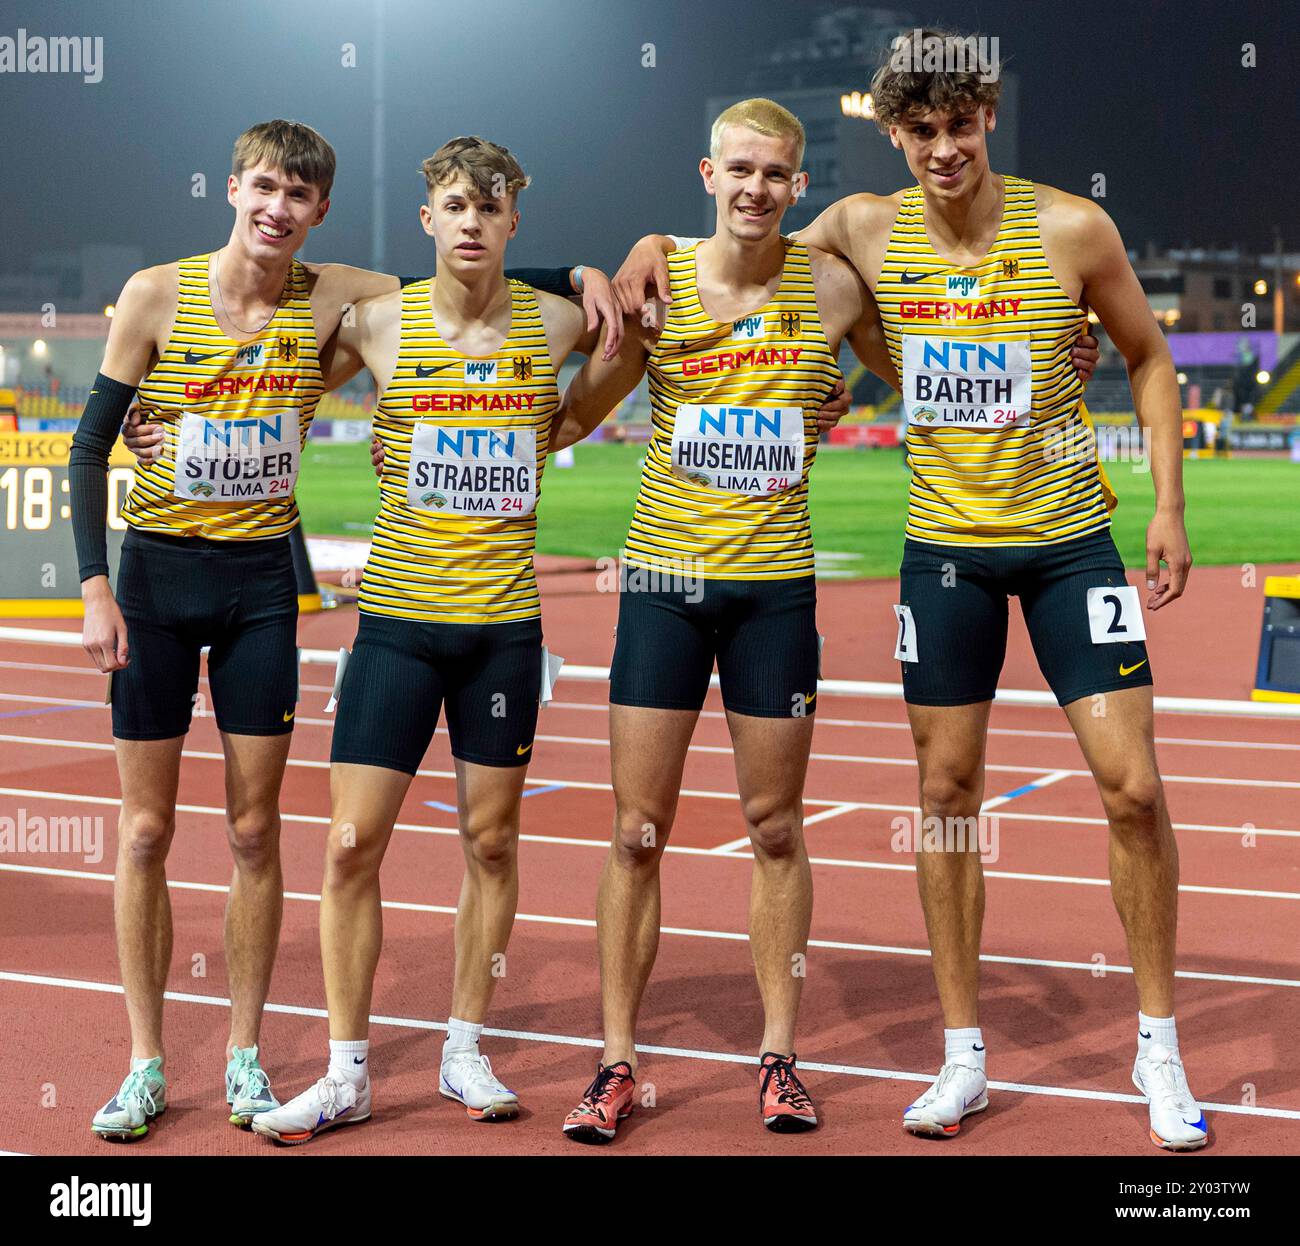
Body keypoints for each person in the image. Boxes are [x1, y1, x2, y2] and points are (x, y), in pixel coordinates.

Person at [615, 29, 1200, 1150]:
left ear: (990, 119)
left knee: (1130, 787)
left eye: (960, 126)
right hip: (942, 551)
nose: (942, 148)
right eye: (919, 130)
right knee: (944, 796)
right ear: (891, 132)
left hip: (1072, 539)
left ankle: (1157, 1048)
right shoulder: (858, 230)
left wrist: (1165, 505)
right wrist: (641, 245)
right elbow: (742, 242)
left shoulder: (1074, 227)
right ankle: (962, 1054)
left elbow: (1148, 355)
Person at [75, 119, 608, 1141]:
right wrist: (93, 585)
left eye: (298, 198)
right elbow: (94, 443)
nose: (278, 209)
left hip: (267, 588)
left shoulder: (340, 293)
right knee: (148, 829)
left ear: (319, 212)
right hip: (157, 578)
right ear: (233, 187)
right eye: (264, 189)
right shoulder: (162, 293)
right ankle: (147, 1061)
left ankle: (246, 1055)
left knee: (254, 829)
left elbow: (477, 270)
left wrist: (581, 267)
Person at [551, 98, 918, 1144]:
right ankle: (615, 1063)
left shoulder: (838, 289)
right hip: (663, 585)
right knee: (634, 831)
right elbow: (579, 408)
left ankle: (779, 1058)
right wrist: (442, 432)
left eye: (776, 175)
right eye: (739, 169)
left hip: (773, 595)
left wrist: (1052, 369)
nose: (755, 188)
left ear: (797, 188)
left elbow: (929, 378)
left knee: (773, 828)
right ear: (705, 173)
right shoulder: (655, 282)